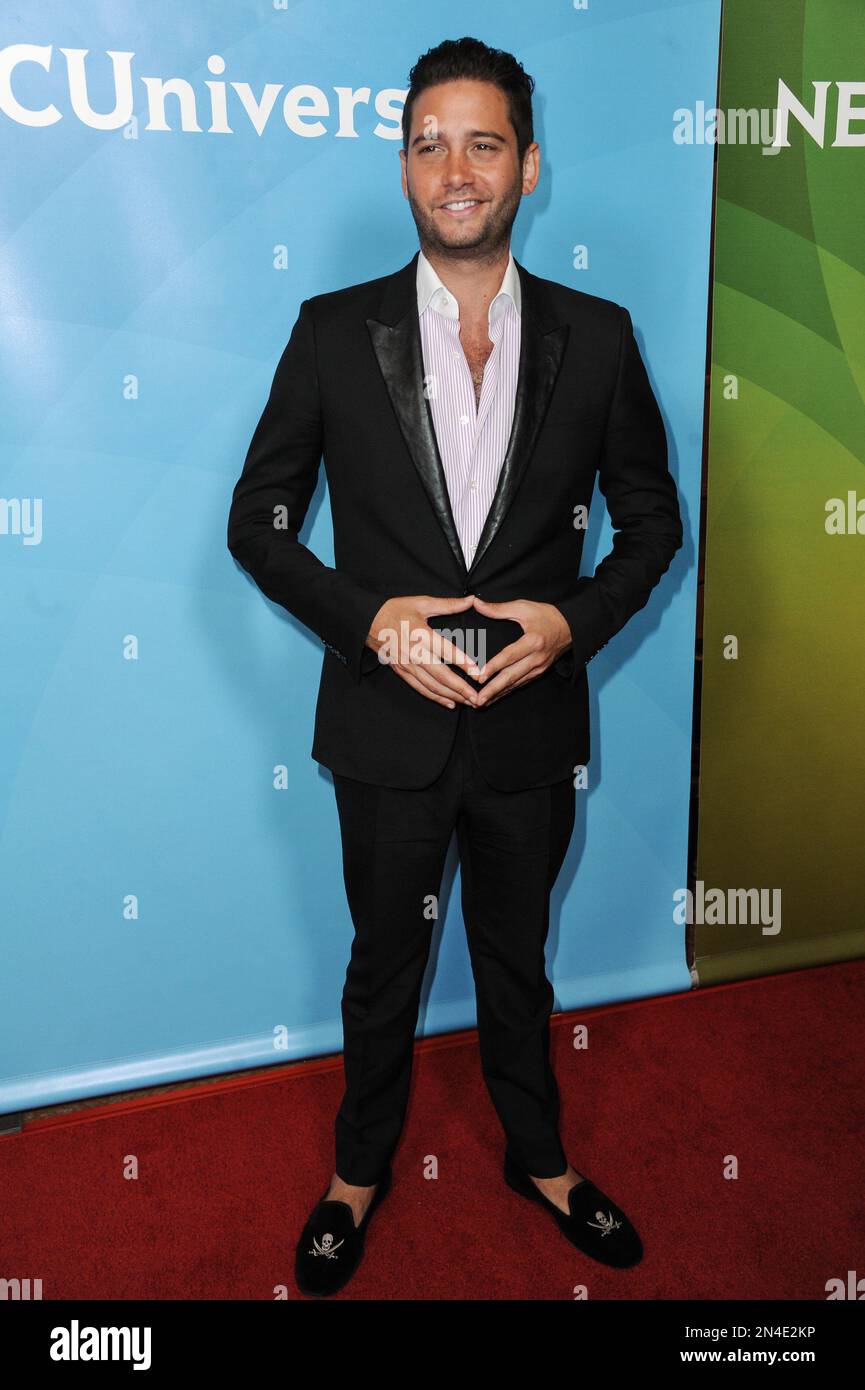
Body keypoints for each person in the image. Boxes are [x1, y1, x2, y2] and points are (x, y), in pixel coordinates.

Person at [227, 35, 683, 1297]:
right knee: (381, 964)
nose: (454, 167)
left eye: (482, 142)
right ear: (405, 167)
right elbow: (255, 523)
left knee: (516, 961)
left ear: (528, 167)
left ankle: (536, 1156)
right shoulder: (332, 331)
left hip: (532, 730)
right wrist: (373, 621)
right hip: (385, 724)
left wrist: (570, 626)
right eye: (429, 142)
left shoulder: (597, 337)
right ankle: (355, 1176)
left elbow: (652, 523)